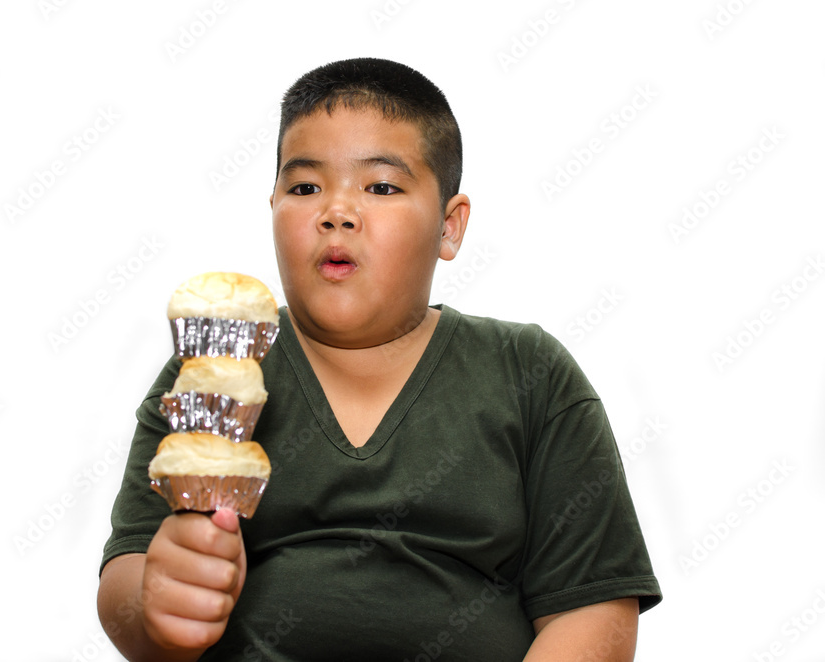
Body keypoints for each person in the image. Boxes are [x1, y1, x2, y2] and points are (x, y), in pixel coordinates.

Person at [97, 57, 662, 661]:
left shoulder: (530, 373)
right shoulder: (215, 372)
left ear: (449, 227)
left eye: (382, 187)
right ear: (271, 210)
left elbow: (593, 610)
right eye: (305, 187)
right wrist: (163, 596)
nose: (336, 212)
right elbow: (125, 580)